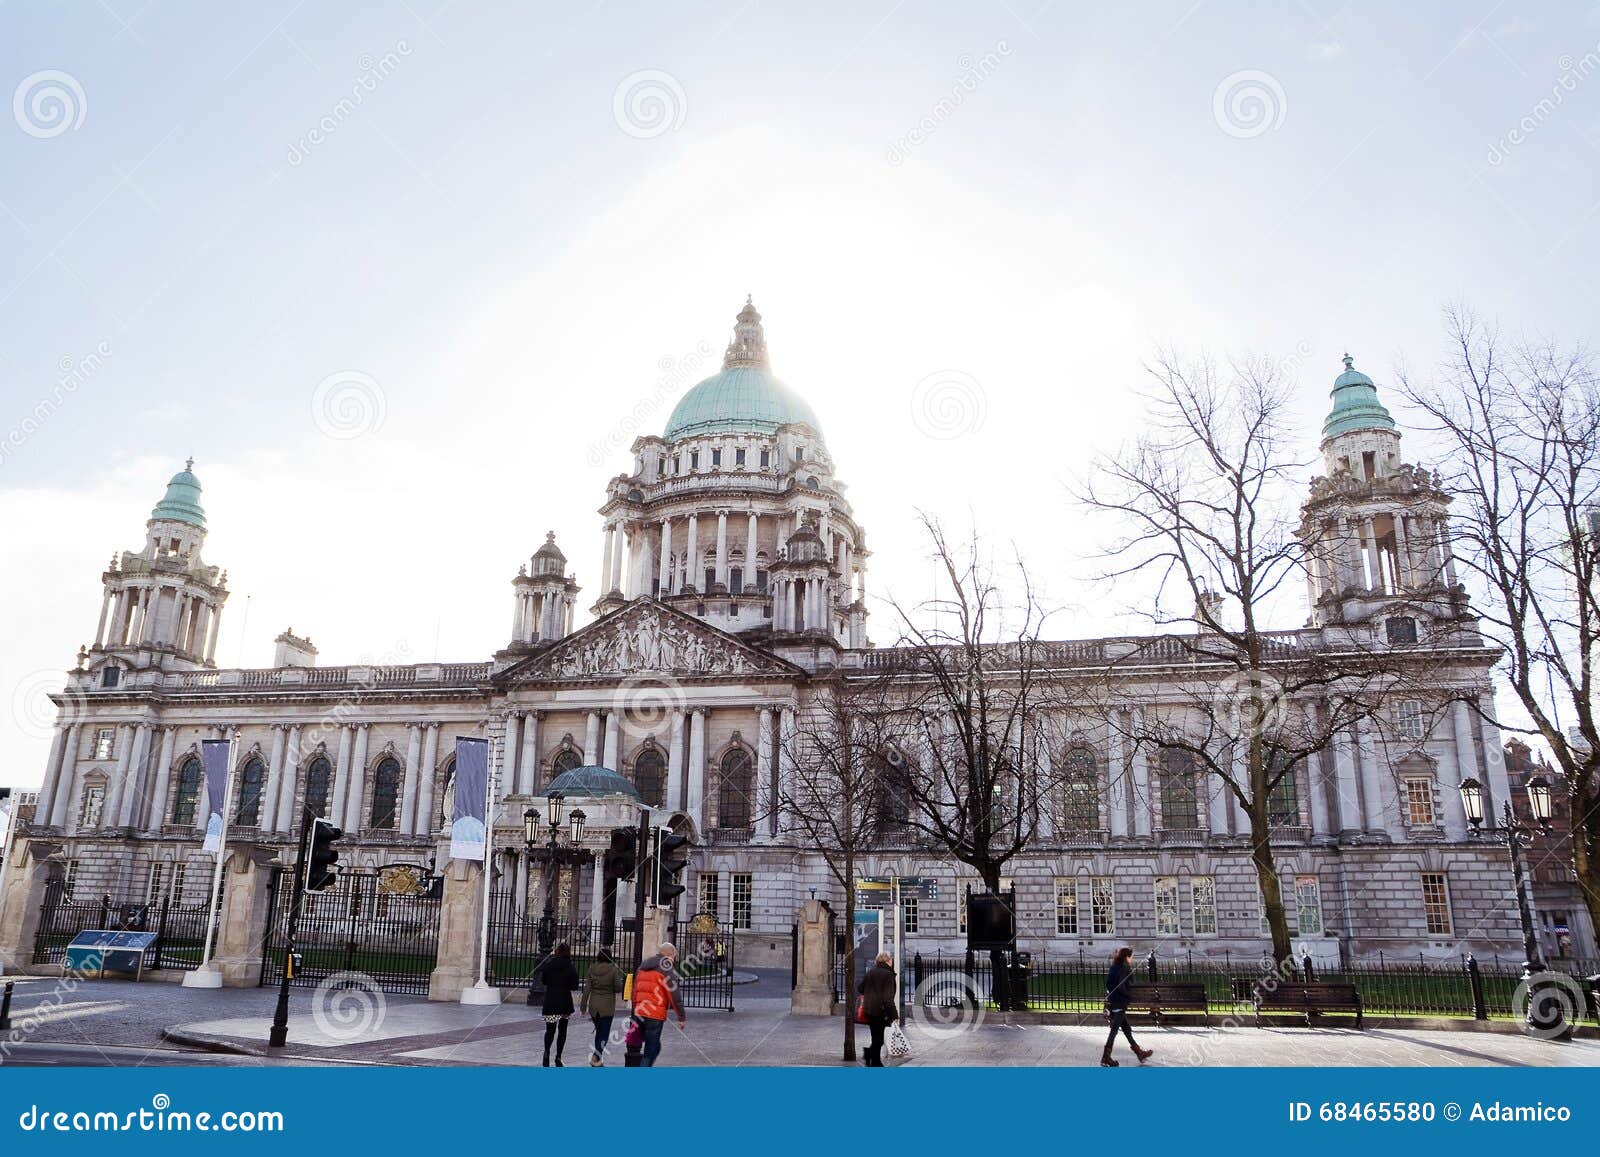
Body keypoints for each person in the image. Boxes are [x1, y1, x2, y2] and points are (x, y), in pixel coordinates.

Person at [631, 941, 686, 1067]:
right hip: (654, 1014)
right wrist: (681, 1017)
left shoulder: (642, 967)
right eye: (674, 956)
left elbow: (635, 990)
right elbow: (674, 994)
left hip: (640, 1012)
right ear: (669, 954)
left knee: (655, 1046)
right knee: (649, 1051)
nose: (674, 959)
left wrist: (635, 1009)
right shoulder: (666, 968)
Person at [1101, 946, 1153, 1067]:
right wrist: (1127, 995)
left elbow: (1110, 984)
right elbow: (1121, 986)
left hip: (1114, 1001)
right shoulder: (1124, 968)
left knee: (1126, 1029)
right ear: (1126, 957)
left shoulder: (1115, 967)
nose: (1132, 959)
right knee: (1114, 1031)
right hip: (1119, 1002)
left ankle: (1139, 1052)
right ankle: (1106, 1057)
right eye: (1131, 956)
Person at [538, 942, 581, 1067]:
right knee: (562, 1031)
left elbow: (544, 981)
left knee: (549, 1030)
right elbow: (574, 986)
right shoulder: (570, 966)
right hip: (564, 1003)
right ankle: (558, 1056)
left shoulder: (549, 964)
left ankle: (546, 1052)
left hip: (551, 1001)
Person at [581, 947, 625, 1067]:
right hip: (607, 1006)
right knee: (604, 1034)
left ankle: (598, 1058)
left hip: (594, 1006)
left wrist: (583, 1007)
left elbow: (586, 990)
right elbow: (618, 988)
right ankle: (596, 1056)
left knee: (599, 1032)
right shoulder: (613, 970)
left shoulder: (592, 968)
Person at [857, 951, 899, 1067]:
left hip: (869, 1009)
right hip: (880, 1011)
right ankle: (869, 1054)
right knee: (879, 1039)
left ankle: (875, 1061)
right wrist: (894, 1015)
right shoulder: (888, 975)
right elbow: (888, 998)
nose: (892, 961)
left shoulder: (871, 972)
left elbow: (860, 988)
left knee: (875, 1036)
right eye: (890, 959)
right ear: (887, 961)